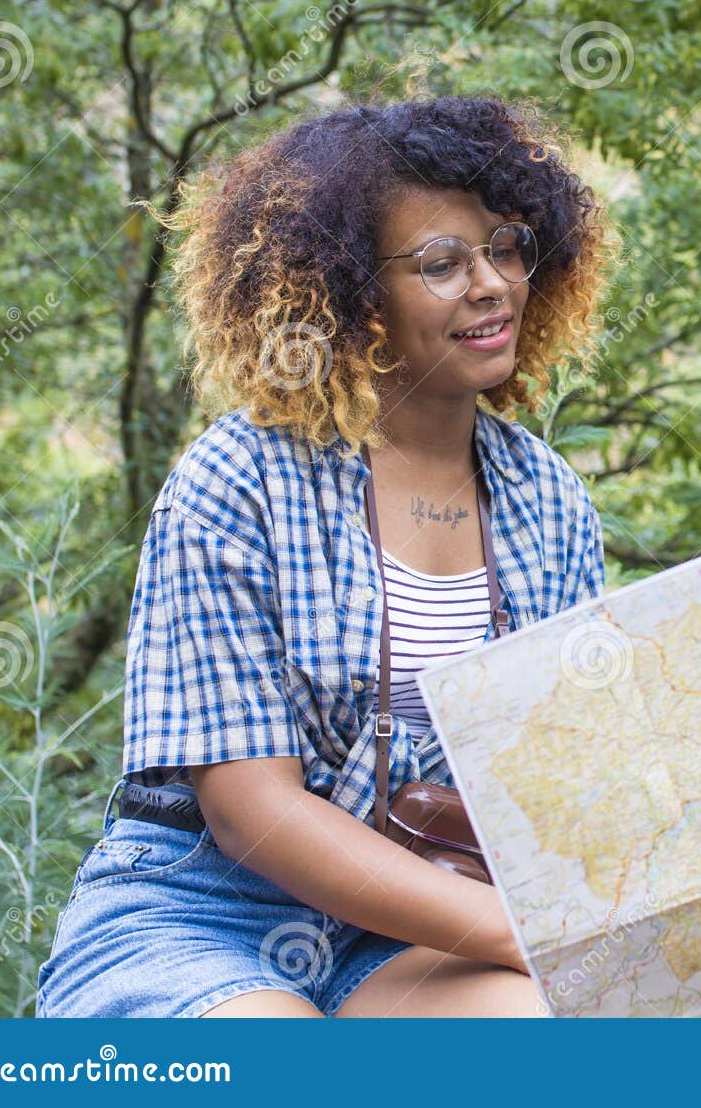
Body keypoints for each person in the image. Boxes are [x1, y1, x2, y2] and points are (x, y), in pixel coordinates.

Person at [37, 96, 610, 1018]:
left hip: (413, 931)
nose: (493, 283)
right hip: (205, 908)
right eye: (441, 263)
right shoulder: (238, 479)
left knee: (543, 1034)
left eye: (506, 247)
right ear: (352, 292)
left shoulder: (549, 501)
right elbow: (250, 813)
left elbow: (556, 779)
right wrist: (521, 929)